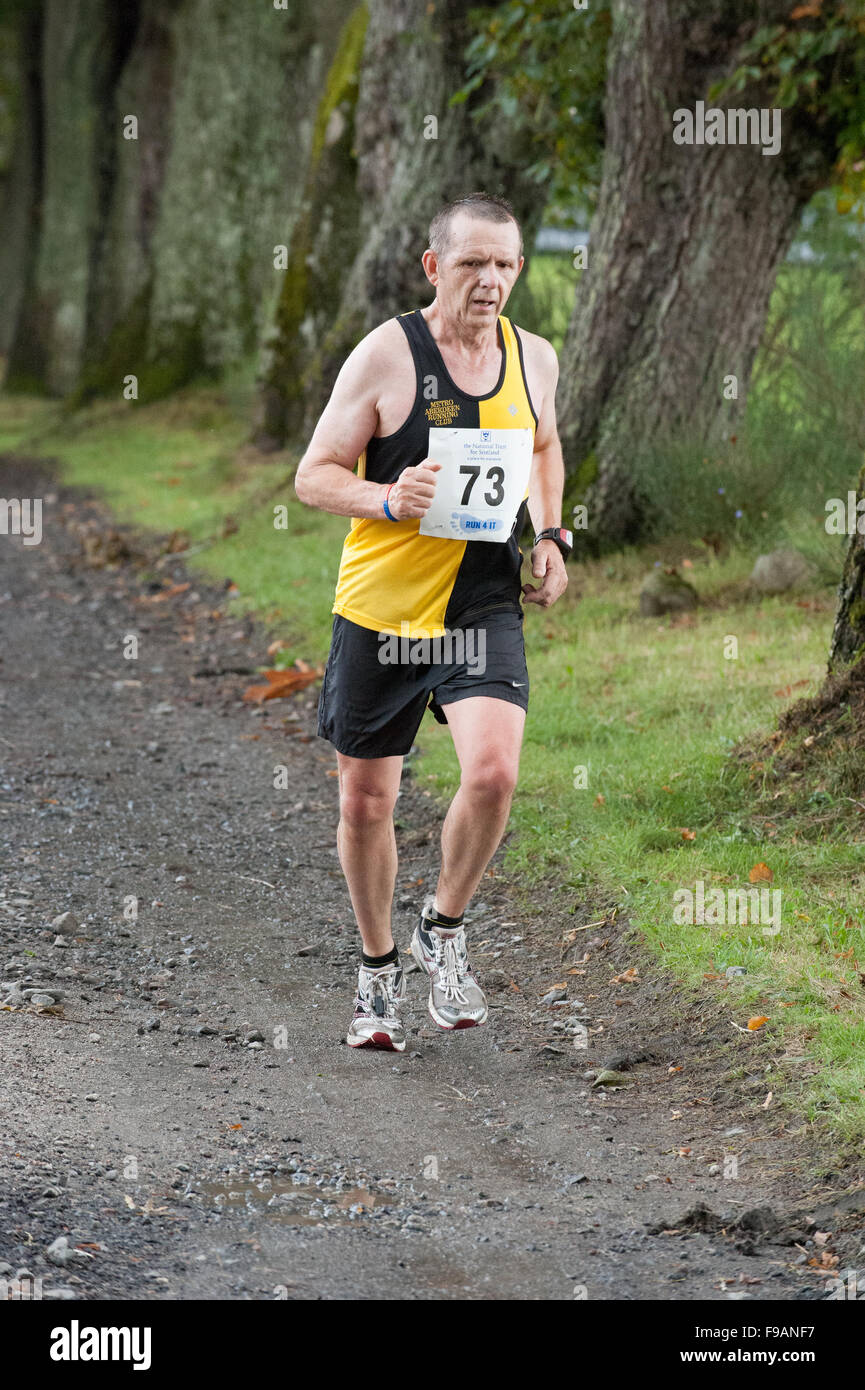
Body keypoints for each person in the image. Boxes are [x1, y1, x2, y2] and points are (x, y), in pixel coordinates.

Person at [295, 192, 571, 1051]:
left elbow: (542, 445)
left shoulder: (535, 357)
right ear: (433, 267)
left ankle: (442, 930)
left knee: (491, 774)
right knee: (367, 800)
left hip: (480, 602)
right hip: (381, 611)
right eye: (472, 264)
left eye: (505, 265)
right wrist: (384, 496)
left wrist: (552, 533)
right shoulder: (387, 354)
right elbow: (312, 476)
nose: (490, 281)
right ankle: (378, 972)